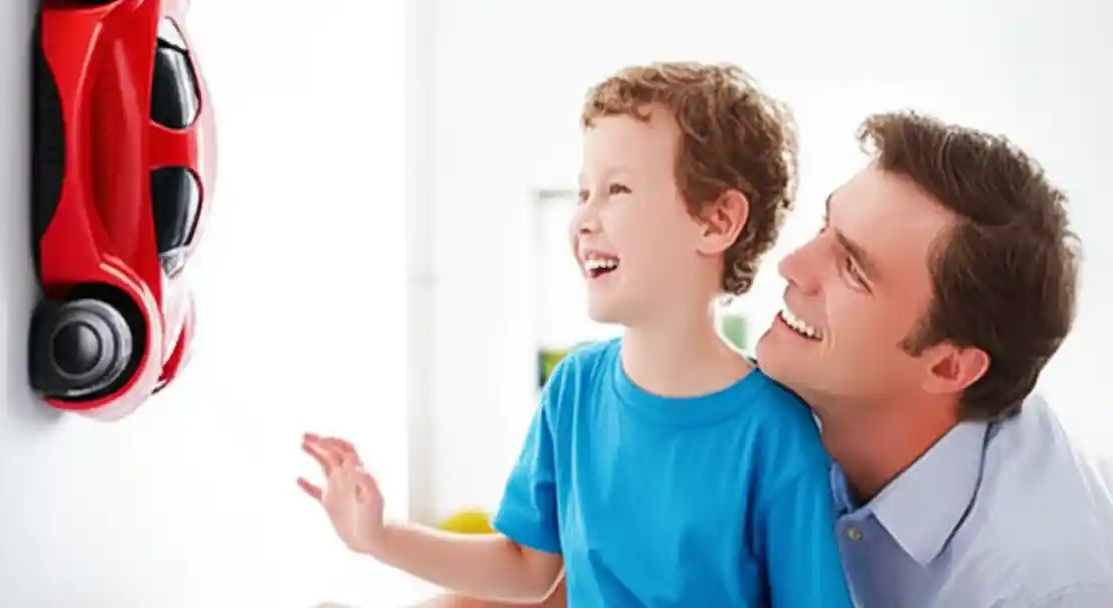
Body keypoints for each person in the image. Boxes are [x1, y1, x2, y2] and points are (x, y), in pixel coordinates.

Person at [427, 112, 1113, 607]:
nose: (790, 265)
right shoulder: (801, 412)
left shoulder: (1042, 582)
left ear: (948, 366)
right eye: (824, 226)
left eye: (853, 270)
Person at [298, 62, 853, 605]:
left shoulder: (778, 436)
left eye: (617, 190)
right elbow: (526, 567)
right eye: (583, 192)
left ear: (715, 221)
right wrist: (378, 537)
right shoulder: (574, 390)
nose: (584, 218)